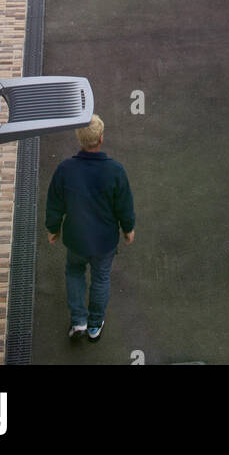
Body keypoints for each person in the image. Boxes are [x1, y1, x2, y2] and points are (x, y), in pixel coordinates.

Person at [45, 114, 135, 343]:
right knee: (101, 279)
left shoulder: (65, 169)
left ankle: (79, 321)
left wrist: (53, 228)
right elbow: (124, 206)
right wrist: (128, 229)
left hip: (76, 238)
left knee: (74, 273)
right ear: (101, 138)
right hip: (104, 241)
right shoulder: (115, 170)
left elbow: (55, 203)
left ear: (79, 139)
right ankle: (95, 325)